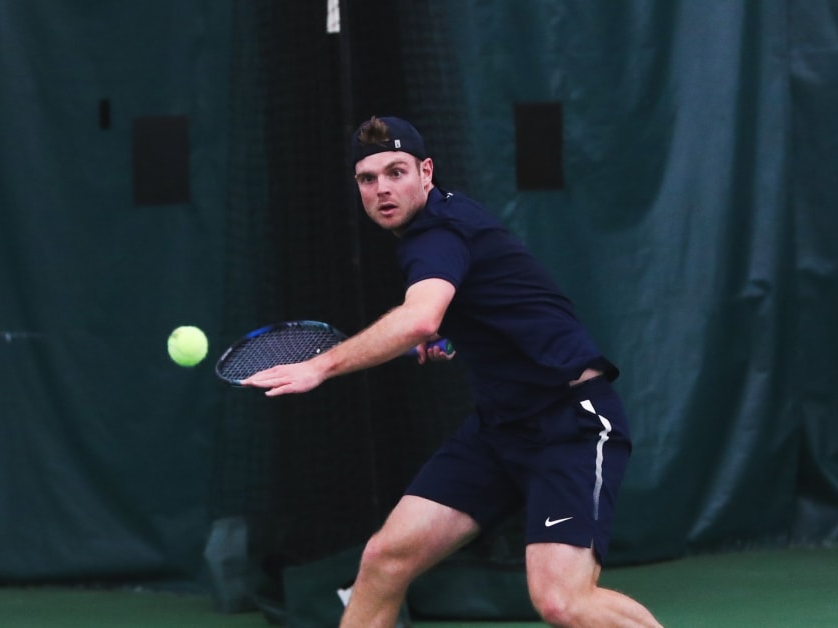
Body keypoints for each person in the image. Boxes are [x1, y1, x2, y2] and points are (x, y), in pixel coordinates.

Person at [243, 116, 661, 627]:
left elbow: (420, 315)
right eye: (368, 179)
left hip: (569, 424)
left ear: (426, 170)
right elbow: (487, 304)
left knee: (562, 601)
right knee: (383, 560)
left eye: (396, 172)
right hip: (499, 428)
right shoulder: (443, 221)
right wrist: (452, 334)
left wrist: (320, 366)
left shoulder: (438, 232)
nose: (382, 189)